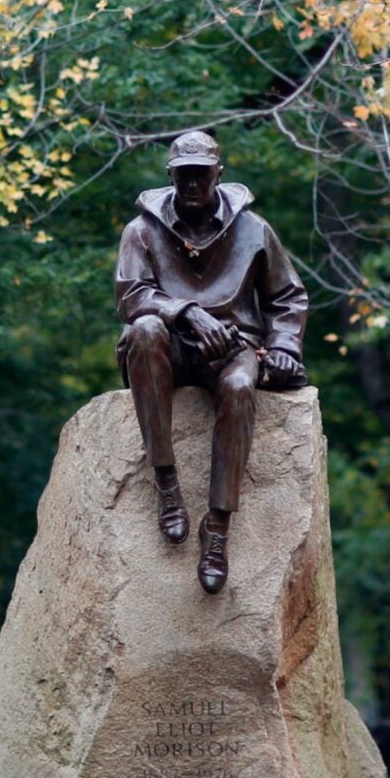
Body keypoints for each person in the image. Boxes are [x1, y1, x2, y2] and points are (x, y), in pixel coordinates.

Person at [114, 130, 310, 594]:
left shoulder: (254, 230)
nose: (192, 184)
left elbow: (287, 297)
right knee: (143, 329)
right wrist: (187, 312)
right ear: (170, 176)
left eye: (201, 174)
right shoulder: (141, 230)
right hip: (169, 346)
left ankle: (217, 526)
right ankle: (166, 481)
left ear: (218, 174)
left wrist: (284, 348)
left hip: (233, 348)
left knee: (240, 387)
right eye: (184, 175)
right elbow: (131, 296)